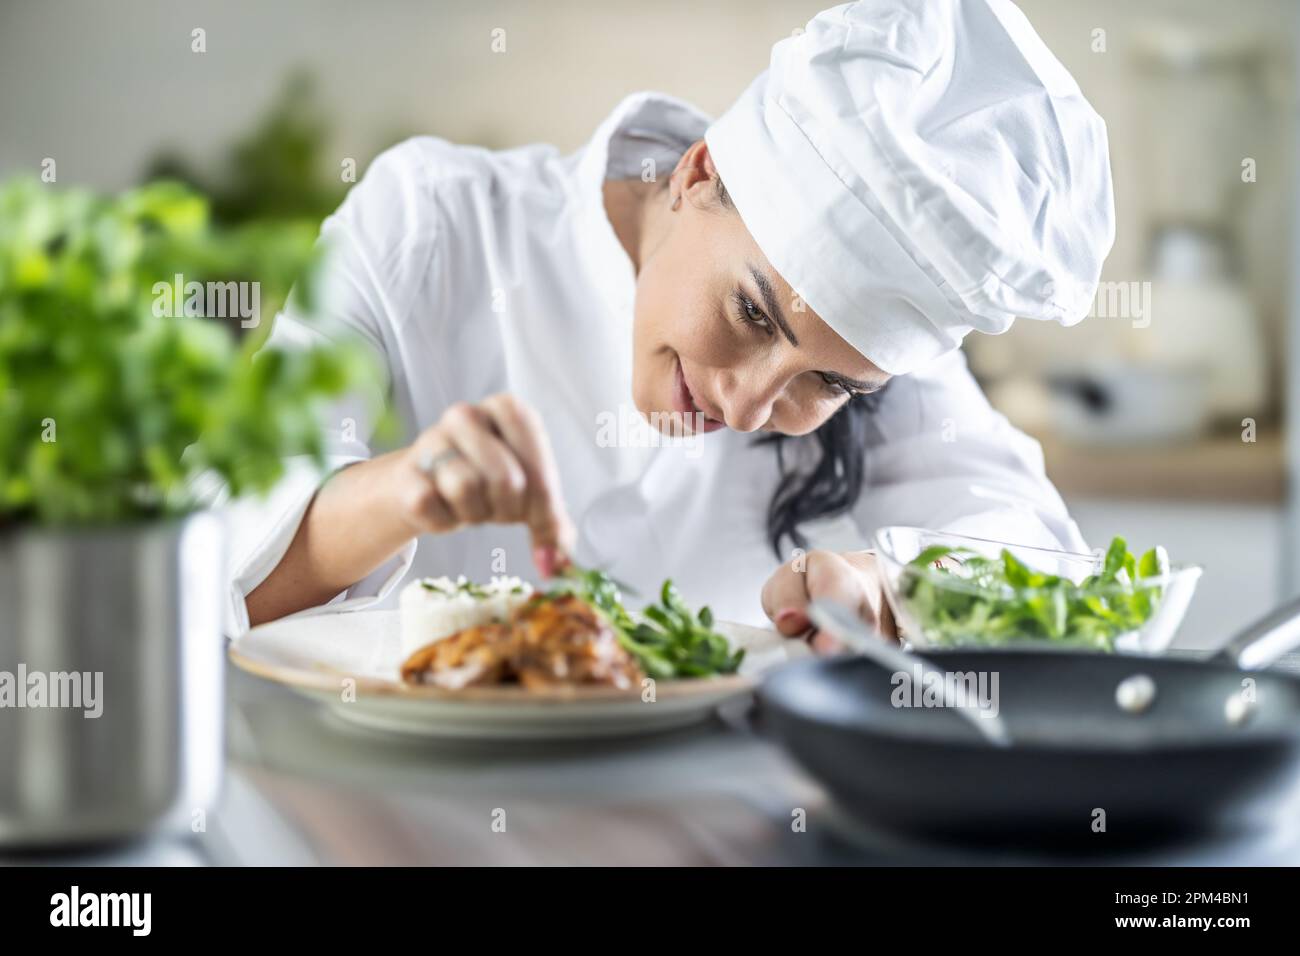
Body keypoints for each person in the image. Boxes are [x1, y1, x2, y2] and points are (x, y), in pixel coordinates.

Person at [218, 0, 1114, 651]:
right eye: (751, 312)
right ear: (695, 174)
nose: (755, 404)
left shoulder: (883, 360)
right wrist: (401, 491)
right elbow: (209, 566)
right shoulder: (431, 226)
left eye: (831, 385)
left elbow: (1062, 579)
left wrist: (906, 592)